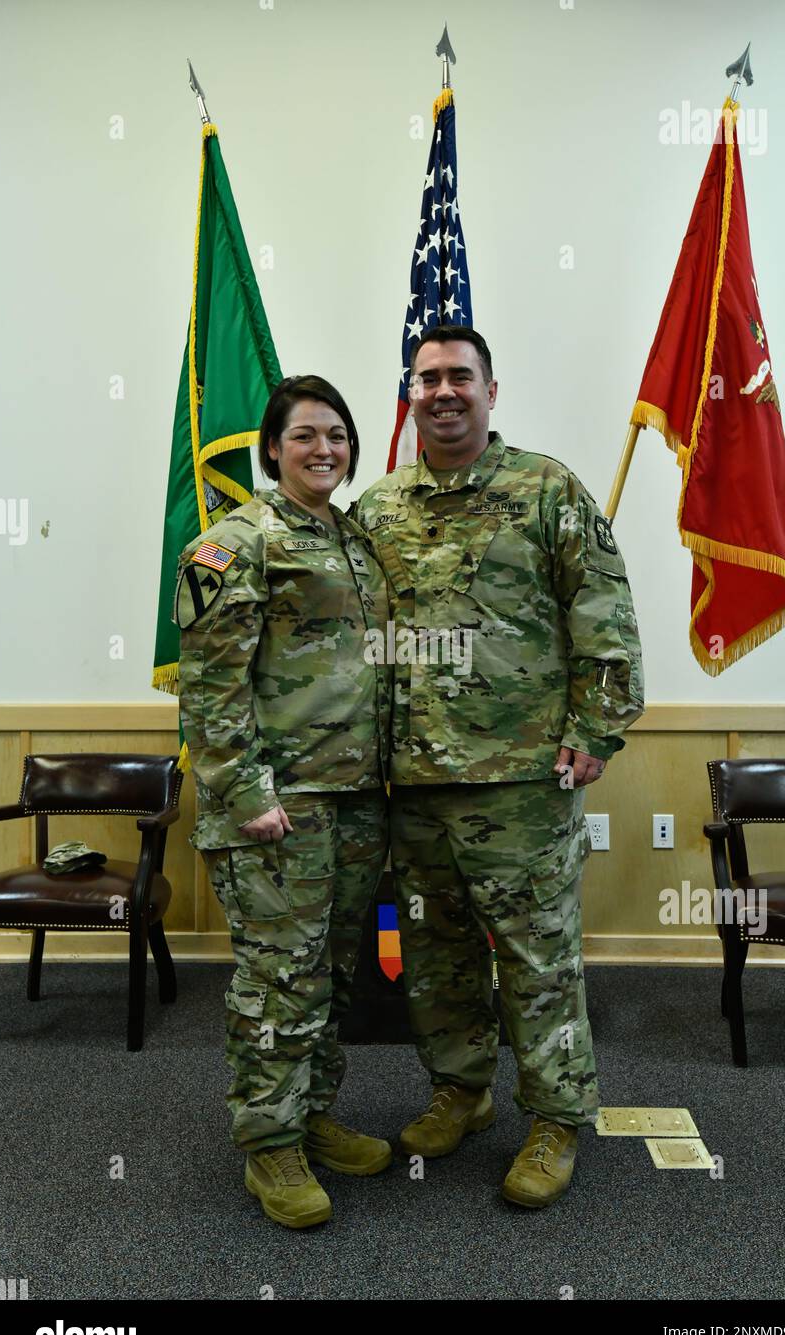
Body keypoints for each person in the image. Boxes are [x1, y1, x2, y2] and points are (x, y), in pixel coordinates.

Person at [351, 326, 644, 1208]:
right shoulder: (378, 507)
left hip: (520, 780)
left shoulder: (547, 489)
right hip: (412, 781)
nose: (443, 391)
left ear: (490, 389)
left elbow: (606, 618)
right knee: (435, 956)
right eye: (427, 378)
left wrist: (596, 728)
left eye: (460, 377)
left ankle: (555, 1120)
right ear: (410, 393)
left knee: (536, 955)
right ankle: (461, 1092)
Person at [175, 375, 392, 1230]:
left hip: (352, 802)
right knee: (278, 981)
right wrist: (244, 791)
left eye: (337, 435)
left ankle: (311, 1114)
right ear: (272, 448)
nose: (324, 450)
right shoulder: (233, 544)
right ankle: (269, 1145)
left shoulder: (354, 539)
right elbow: (210, 686)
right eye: (304, 436)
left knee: (332, 976)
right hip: (276, 805)